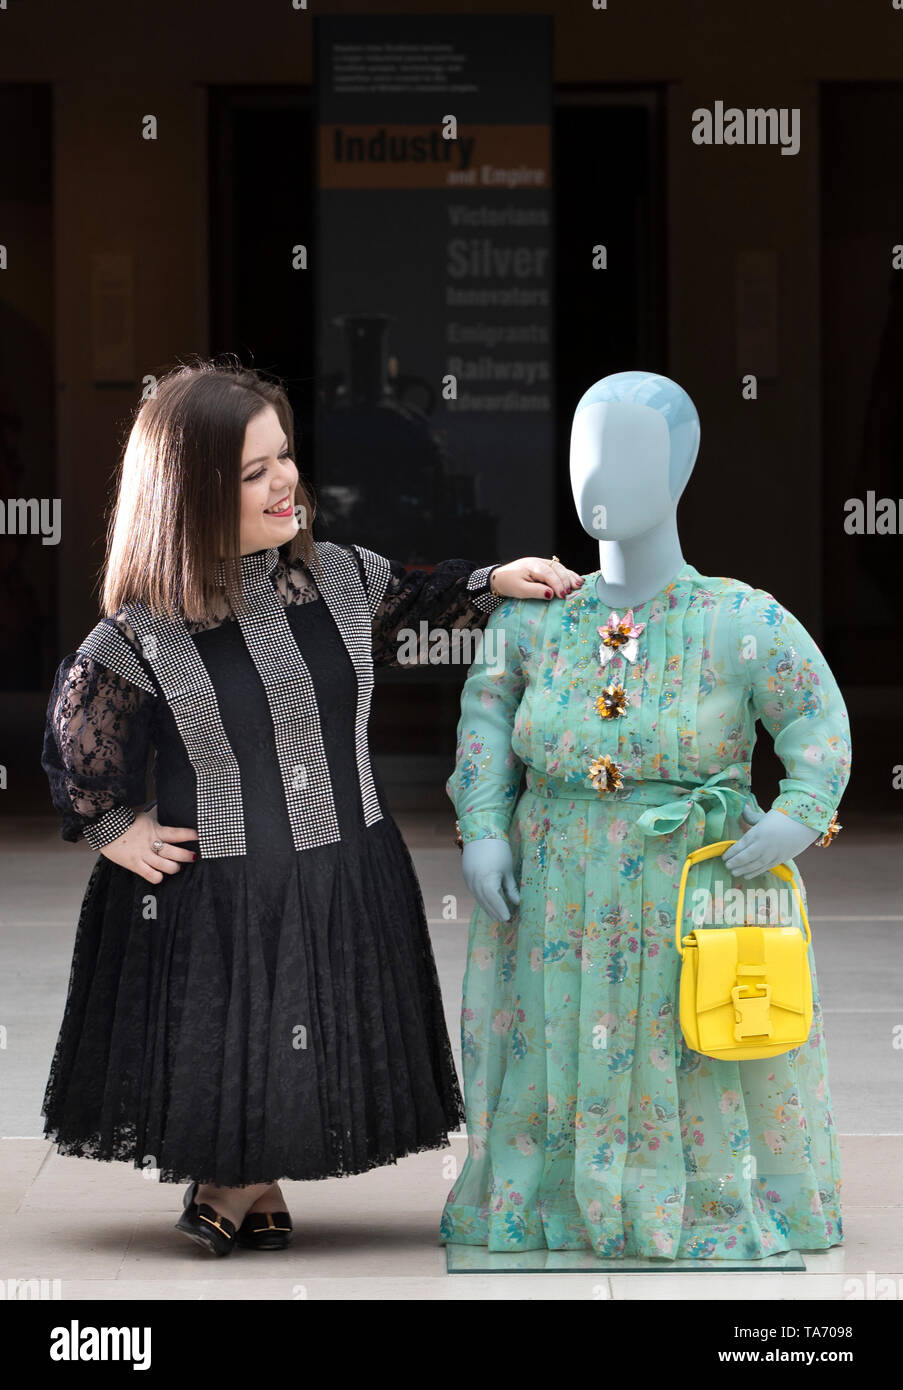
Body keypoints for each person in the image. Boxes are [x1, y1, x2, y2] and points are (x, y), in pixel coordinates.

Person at [40, 357, 584, 1255]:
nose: (284, 480)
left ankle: (244, 1185)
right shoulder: (142, 626)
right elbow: (79, 730)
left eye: (283, 456)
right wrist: (110, 827)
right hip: (217, 887)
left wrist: (496, 579)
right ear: (185, 494)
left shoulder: (336, 576)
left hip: (345, 862)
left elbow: (419, 595)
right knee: (244, 1029)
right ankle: (239, 1182)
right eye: (252, 472)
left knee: (302, 1025)